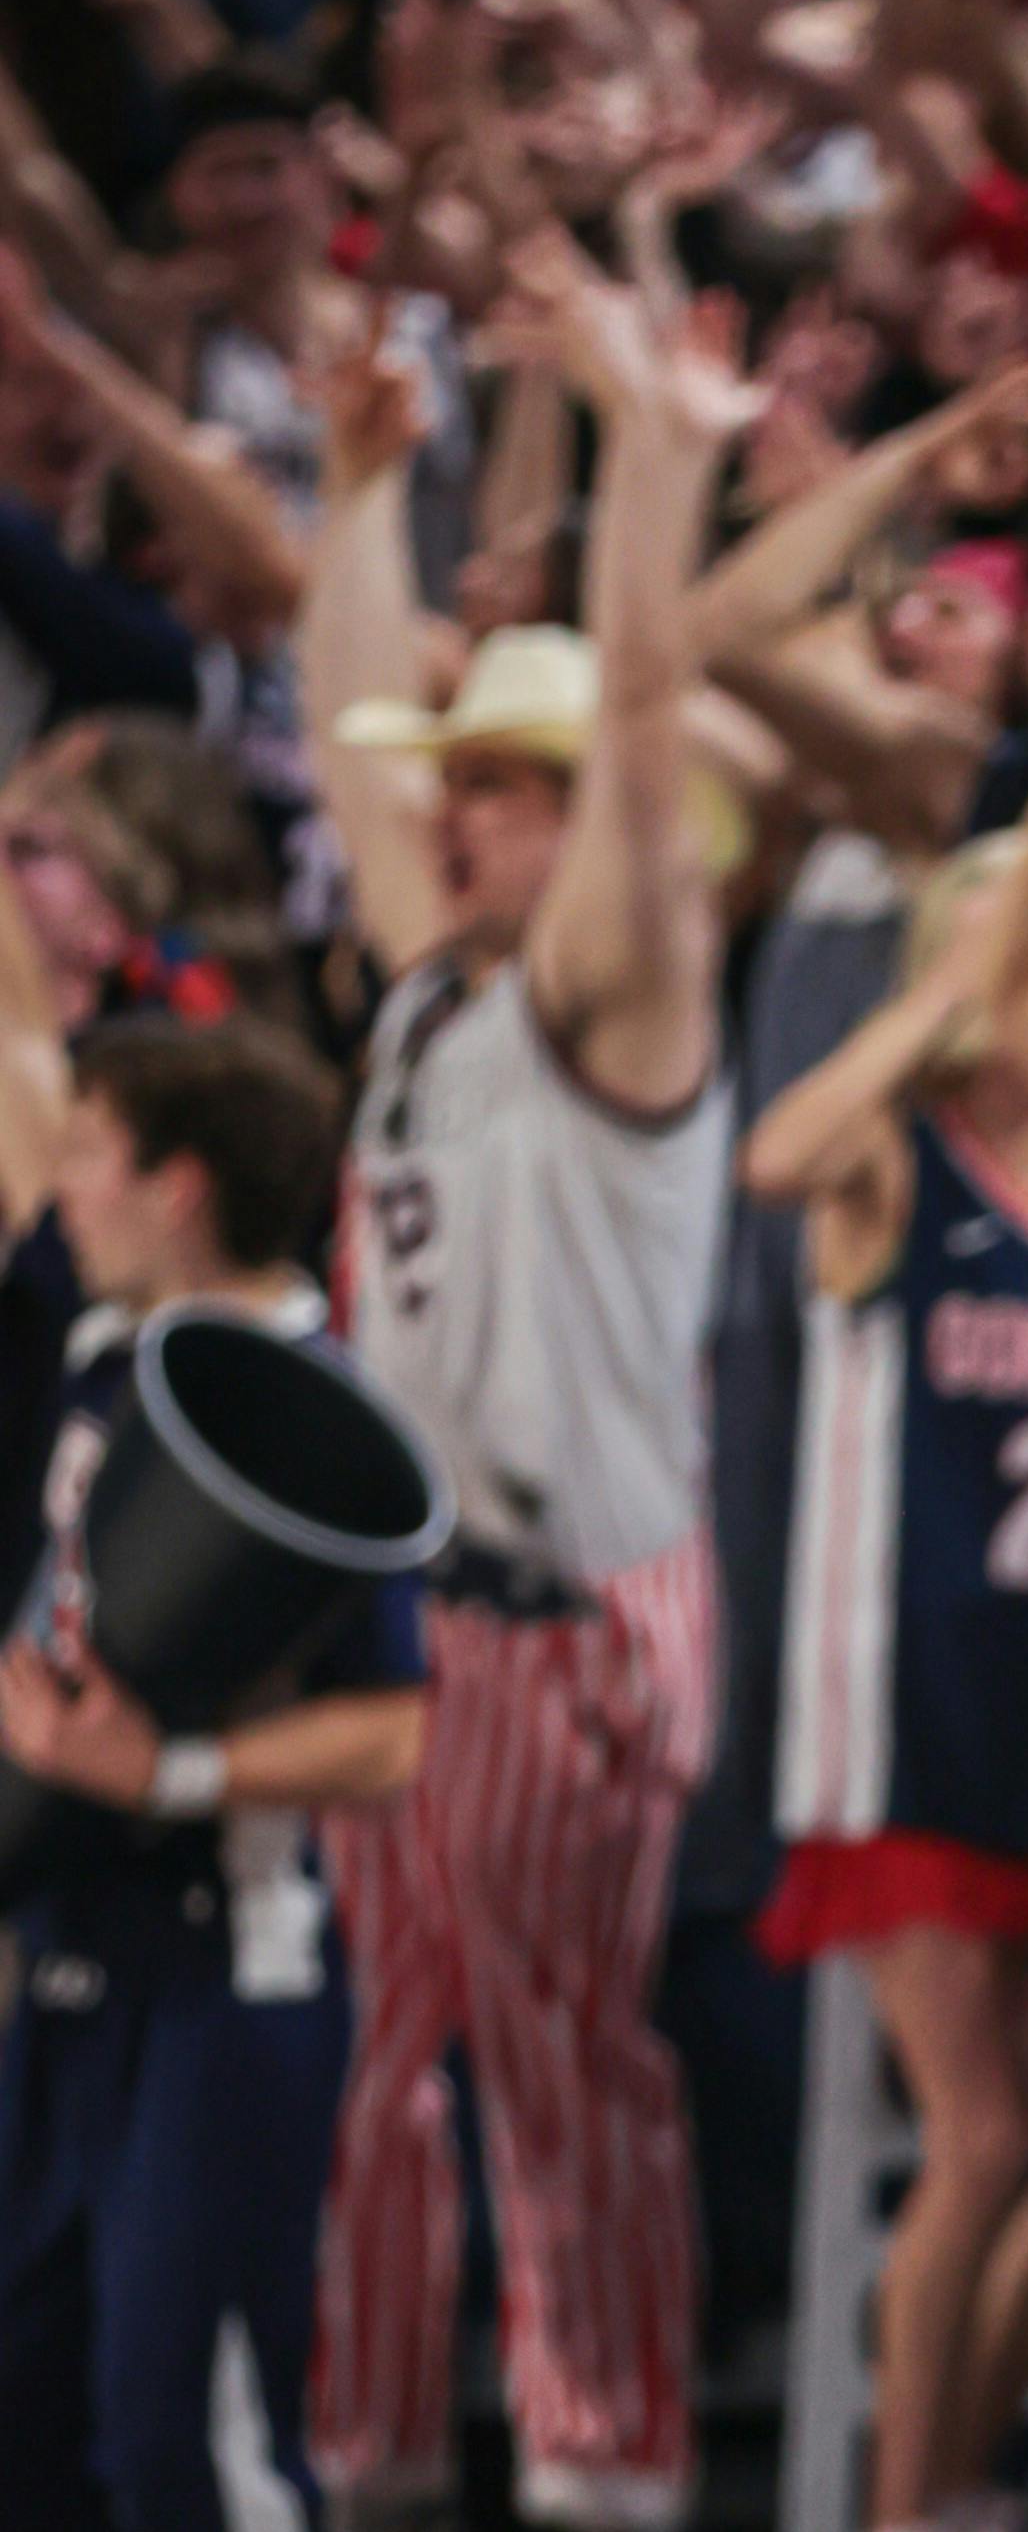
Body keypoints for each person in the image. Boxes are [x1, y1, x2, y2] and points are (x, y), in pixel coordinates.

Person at [294, 259, 737, 2531]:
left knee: (564, 2058)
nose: (442, 818)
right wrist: (365, 482)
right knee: (382, 2059)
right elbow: (338, 691)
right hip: (415, 1610)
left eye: (488, 790)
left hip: (574, 1605)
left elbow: (647, 719)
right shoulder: (435, 989)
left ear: (574, 811)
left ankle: (607, 2466)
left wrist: (652, 460)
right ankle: (364, 2455)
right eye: (445, 793)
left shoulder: (620, 984)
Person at [741, 777, 1028, 2530]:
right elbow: (769, 1158)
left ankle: (940, 2475)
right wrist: (939, 1002)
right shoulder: (890, 1163)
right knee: (981, 2141)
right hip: (903, 1715)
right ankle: (904, 2509)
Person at [0, 1005, 416, 2532]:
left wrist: (163, 1769)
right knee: (32, 2429)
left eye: (92, 1157)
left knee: (188, 2446)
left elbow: (393, 1731)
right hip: (65, 1973)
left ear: (180, 1185)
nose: (58, 1187)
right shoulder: (108, 1350)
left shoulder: (303, 1402)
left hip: (220, 1985)